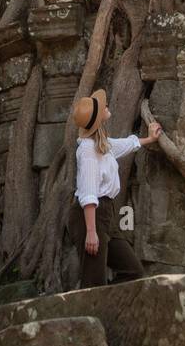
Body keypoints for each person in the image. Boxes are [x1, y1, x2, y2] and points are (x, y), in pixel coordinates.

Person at [67, 87, 162, 289]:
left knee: (133, 270)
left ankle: (105, 305)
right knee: (94, 283)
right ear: (99, 119)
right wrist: (91, 232)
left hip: (106, 215)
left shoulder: (101, 143)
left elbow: (123, 145)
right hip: (90, 217)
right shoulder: (87, 151)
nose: (106, 106)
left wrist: (150, 139)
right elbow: (88, 193)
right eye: (103, 107)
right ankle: (90, 316)